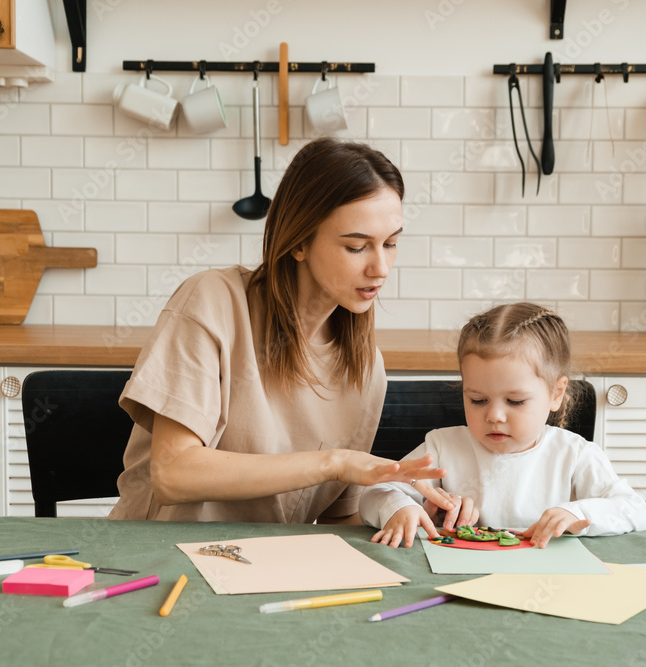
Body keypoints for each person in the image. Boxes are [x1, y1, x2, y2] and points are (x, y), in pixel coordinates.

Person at [109, 137, 445, 523]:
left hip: (269, 568)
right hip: (162, 557)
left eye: (390, 244)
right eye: (357, 247)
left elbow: (339, 520)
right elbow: (173, 474)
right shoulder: (212, 301)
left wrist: (405, 512)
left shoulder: (365, 367)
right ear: (299, 242)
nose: (381, 268)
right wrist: (334, 462)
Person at [359, 302, 646, 548]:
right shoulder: (442, 447)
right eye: (477, 400)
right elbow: (374, 494)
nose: (494, 416)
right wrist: (402, 508)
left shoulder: (574, 454)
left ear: (555, 394)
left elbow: (635, 510)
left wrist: (577, 512)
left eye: (515, 401)